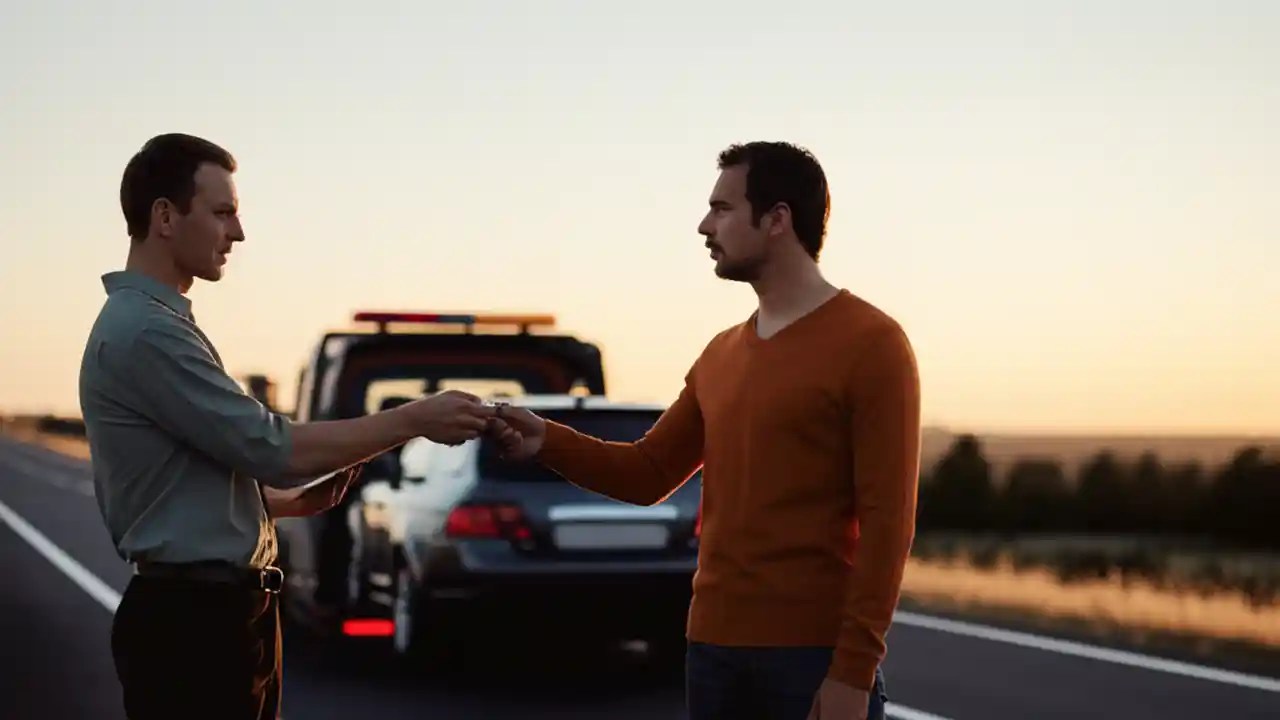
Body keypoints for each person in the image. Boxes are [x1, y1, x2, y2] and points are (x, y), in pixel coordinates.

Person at [77, 133, 517, 720]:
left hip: (215, 616)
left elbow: (185, 473)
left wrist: (273, 508)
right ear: (164, 216)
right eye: (222, 212)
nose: (237, 233)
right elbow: (273, 446)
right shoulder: (147, 332)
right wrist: (415, 418)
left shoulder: (156, 323)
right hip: (195, 627)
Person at [489, 141, 921, 720]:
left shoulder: (873, 345)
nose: (703, 225)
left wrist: (852, 672)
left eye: (721, 208)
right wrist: (546, 439)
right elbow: (648, 473)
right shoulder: (720, 355)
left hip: (809, 657)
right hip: (712, 651)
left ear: (776, 220)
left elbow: (888, 523)